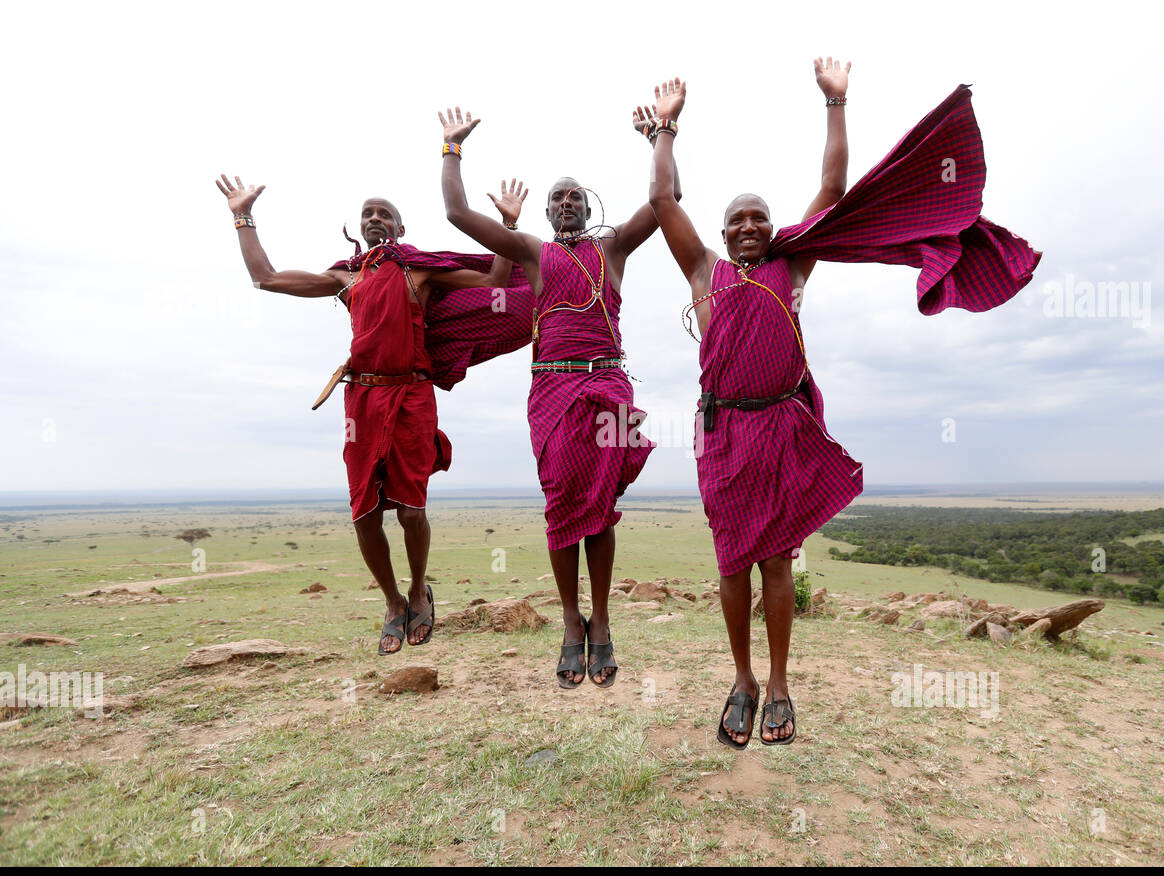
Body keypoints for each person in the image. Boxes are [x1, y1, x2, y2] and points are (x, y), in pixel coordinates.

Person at [645, 65, 1041, 747]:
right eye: (736, 220)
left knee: (775, 563)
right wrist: (666, 129)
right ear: (720, 231)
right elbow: (660, 200)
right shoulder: (703, 274)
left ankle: (777, 684)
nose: (748, 227)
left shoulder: (792, 266)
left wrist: (835, 100)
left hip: (779, 429)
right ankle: (738, 680)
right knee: (731, 562)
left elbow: (832, 188)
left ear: (773, 228)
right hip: (722, 435)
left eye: (758, 218)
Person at [215, 175, 533, 655]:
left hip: (413, 395)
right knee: (364, 513)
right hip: (362, 401)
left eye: (384, 213)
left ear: (401, 227)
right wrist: (243, 215)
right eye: (368, 213)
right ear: (360, 227)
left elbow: (495, 281)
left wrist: (507, 225)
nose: (375, 218)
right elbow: (267, 279)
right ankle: (391, 602)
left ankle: (419, 588)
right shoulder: (346, 277)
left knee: (411, 509)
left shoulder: (420, 271)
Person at [438, 106, 680, 688]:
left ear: (589, 207)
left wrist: (662, 135)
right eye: (557, 199)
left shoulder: (613, 249)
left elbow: (668, 197)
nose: (567, 203)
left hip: (607, 385)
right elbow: (455, 213)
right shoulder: (533, 253)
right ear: (546, 214)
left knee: (599, 511)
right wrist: (451, 149)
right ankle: (571, 622)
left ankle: (601, 623)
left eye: (575, 197)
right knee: (562, 509)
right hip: (551, 388)